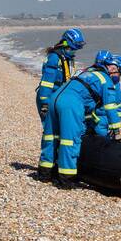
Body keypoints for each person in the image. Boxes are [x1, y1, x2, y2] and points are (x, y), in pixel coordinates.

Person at [48, 51, 118, 188]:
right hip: (71, 103)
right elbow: (110, 106)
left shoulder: (85, 72)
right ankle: (65, 179)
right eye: (114, 68)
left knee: (51, 137)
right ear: (107, 66)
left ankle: (45, 172)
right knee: (70, 141)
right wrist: (116, 128)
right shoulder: (105, 79)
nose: (115, 72)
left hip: (55, 98)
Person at [36, 28, 85, 179]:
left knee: (59, 134)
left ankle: (53, 166)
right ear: (67, 43)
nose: (75, 50)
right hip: (49, 98)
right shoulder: (54, 58)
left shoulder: (67, 58)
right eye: (74, 46)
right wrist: (45, 103)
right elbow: (46, 83)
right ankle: (46, 171)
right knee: (51, 135)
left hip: (59, 98)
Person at [86, 50, 121, 140]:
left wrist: (115, 122)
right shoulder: (98, 78)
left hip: (103, 119)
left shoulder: (113, 82)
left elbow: (119, 103)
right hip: (94, 118)